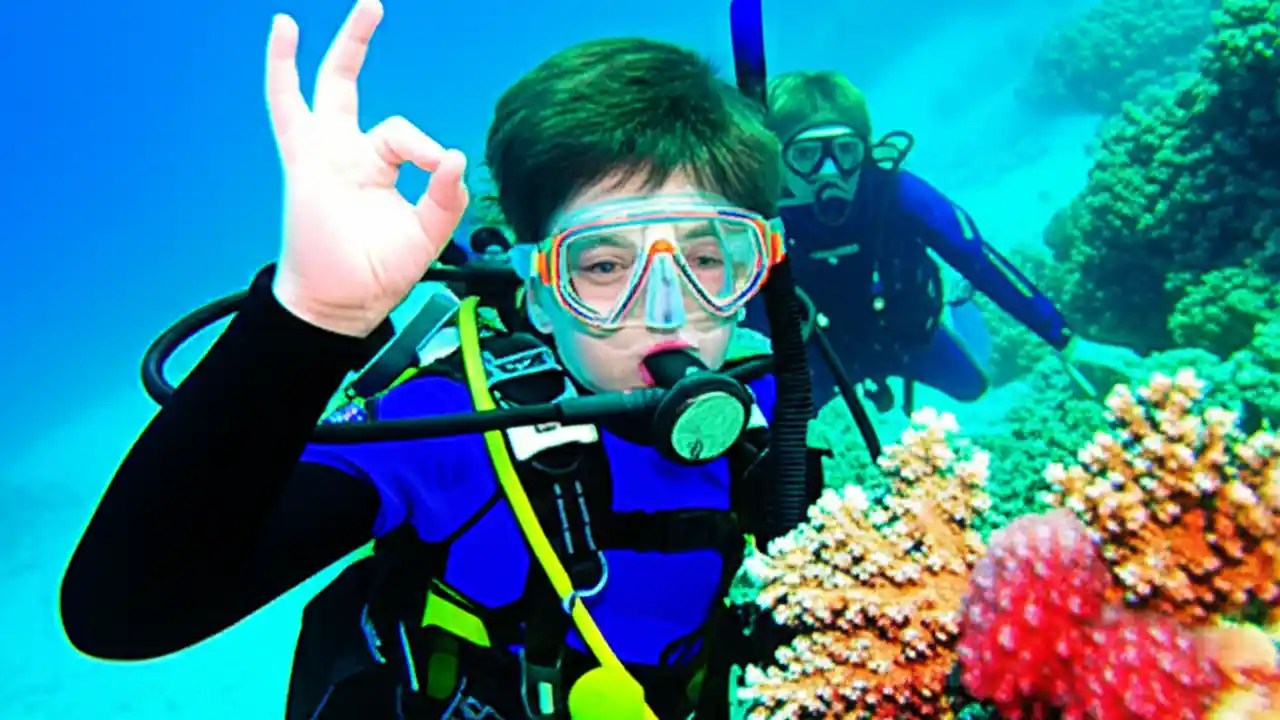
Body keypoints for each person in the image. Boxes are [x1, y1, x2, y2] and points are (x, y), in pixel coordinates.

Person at [57, 3, 819, 719]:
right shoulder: (450, 430)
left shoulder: (765, 427)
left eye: (709, 259)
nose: (665, 308)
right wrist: (308, 321)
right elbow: (123, 614)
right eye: (603, 267)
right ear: (539, 288)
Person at [744, 69, 1141, 413]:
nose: (829, 172)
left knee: (976, 390)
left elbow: (980, 260)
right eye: (807, 154)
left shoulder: (897, 194)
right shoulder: (759, 217)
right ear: (777, 158)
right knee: (768, 430)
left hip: (904, 335)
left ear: (865, 151)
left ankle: (957, 305)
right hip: (816, 353)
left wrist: (1065, 340)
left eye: (845, 151)